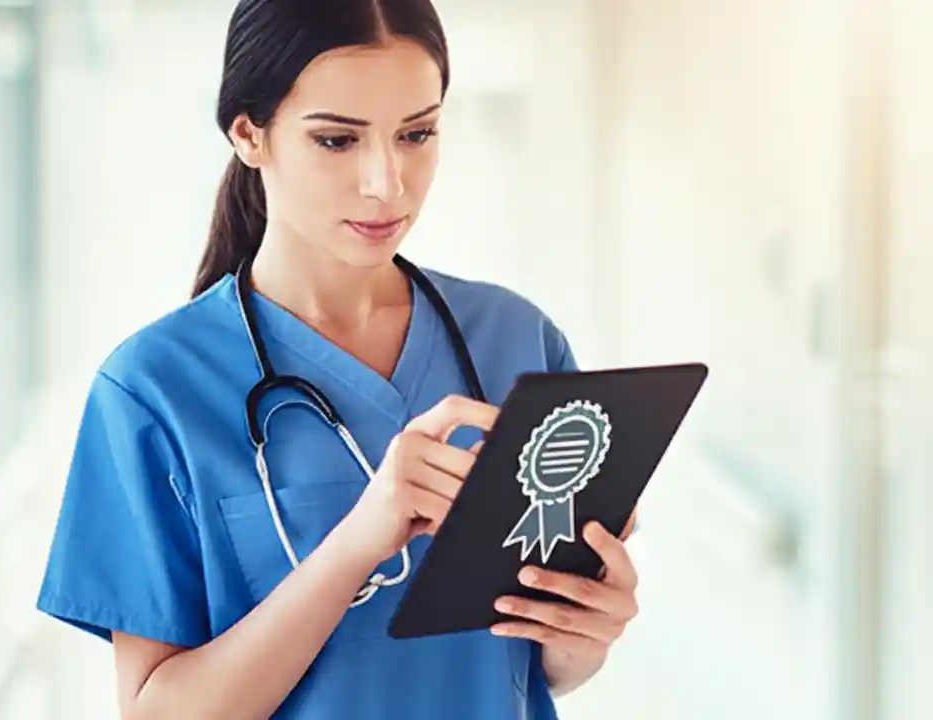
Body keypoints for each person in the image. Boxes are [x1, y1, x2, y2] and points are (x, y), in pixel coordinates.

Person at [36, 1, 640, 717]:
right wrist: (361, 537)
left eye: (417, 133)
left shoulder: (518, 341)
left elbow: (532, 669)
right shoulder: (153, 389)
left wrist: (585, 632)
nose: (388, 183)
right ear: (248, 133)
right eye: (336, 141)